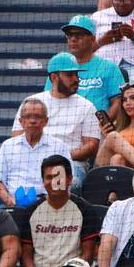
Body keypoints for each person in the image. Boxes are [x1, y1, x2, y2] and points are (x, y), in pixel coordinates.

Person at [12, 156, 99, 267]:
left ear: (70, 179)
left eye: (59, 177)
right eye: (49, 177)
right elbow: (26, 255)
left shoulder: (85, 210)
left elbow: (88, 254)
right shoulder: (30, 211)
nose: (54, 182)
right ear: (43, 181)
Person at [11, 57, 101, 186]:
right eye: (69, 75)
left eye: (76, 74)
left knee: (70, 183)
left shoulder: (87, 106)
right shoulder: (33, 101)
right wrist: (39, 155)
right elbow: (17, 136)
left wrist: (59, 156)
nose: (76, 79)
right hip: (32, 158)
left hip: (70, 162)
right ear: (54, 77)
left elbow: (91, 146)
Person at [0, 99, 73, 208]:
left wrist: (50, 203)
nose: (32, 121)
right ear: (21, 121)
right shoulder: (8, 146)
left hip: (48, 205)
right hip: (12, 204)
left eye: (38, 117)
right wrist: (9, 200)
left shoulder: (59, 146)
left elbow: (66, 181)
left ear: (46, 121)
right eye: (27, 117)